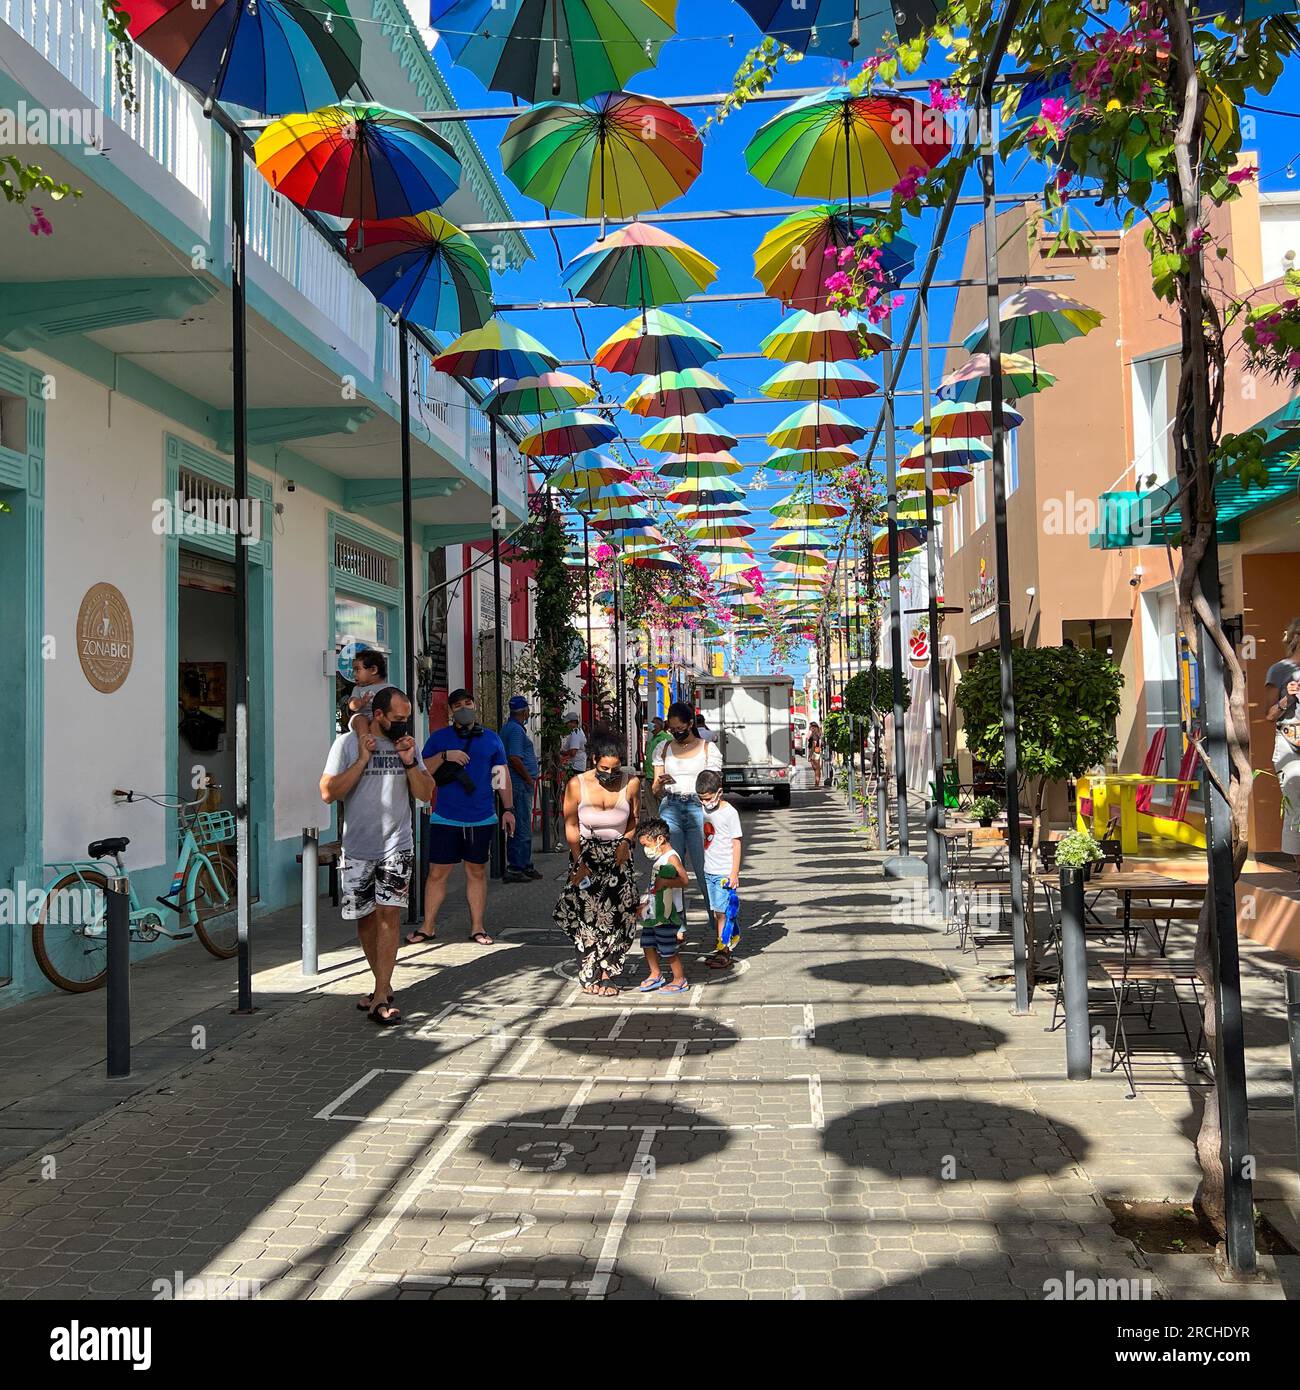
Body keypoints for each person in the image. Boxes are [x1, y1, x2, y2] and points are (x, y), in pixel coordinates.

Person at [320, 687, 433, 1026]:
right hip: (357, 847)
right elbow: (328, 793)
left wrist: (410, 760)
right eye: (397, 718)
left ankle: (381, 994)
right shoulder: (348, 744)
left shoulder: (407, 746)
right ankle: (380, 983)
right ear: (379, 715)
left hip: (397, 845)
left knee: (389, 915)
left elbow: (426, 794)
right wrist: (361, 760)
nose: (403, 724)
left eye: (406, 718)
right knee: (366, 919)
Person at [408, 689, 514, 948]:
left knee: (476, 872)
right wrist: (446, 755)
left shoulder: (492, 739)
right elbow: (422, 770)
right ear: (451, 711)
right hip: (446, 817)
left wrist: (509, 808)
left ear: (475, 705)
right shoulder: (439, 738)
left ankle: (477, 927)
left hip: (481, 818)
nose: (464, 708)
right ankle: (428, 927)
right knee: (436, 874)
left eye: (468, 703)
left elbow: (500, 775)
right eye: (458, 705)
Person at [553, 735, 642, 996]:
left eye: (615, 769)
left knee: (618, 916)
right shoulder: (576, 784)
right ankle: (590, 971)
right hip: (586, 856)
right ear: (594, 761)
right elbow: (570, 824)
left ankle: (608, 973)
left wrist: (627, 841)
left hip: (618, 856)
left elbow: (634, 819)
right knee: (587, 917)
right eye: (604, 769)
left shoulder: (631, 783)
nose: (610, 774)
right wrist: (578, 861)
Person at [652, 700, 723, 921]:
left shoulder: (707, 748)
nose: (676, 733)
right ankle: (676, 926)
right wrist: (661, 783)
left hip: (698, 809)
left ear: (690, 723)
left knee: (705, 868)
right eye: (672, 729)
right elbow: (655, 789)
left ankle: (718, 923)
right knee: (671, 867)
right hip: (671, 806)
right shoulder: (662, 748)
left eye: (680, 728)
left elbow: (714, 785)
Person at [636, 816, 689, 994]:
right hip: (654, 910)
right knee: (647, 942)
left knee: (668, 948)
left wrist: (666, 883)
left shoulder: (671, 858)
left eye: (646, 844)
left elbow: (684, 880)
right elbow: (654, 885)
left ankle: (679, 979)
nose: (646, 849)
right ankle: (655, 973)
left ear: (660, 839)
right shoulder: (659, 860)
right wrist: (645, 902)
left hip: (667, 912)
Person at [1264, 618, 1300, 878]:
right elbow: (1268, 714)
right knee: (1296, 806)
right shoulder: (1279, 670)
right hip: (1291, 744)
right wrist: (1287, 698)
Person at [698, 769, 743, 970]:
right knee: (718, 912)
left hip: (724, 872)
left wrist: (734, 873)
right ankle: (726, 942)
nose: (705, 802)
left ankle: (724, 950)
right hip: (709, 869)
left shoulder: (729, 813)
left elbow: (736, 843)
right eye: (701, 799)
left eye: (708, 798)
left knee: (723, 913)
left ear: (719, 792)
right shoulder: (704, 810)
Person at [500, 694, 542, 884]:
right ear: (524, 711)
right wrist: (527, 778)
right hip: (518, 784)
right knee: (522, 825)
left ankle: (524, 864)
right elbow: (514, 758)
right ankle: (517, 866)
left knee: (523, 824)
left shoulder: (511, 728)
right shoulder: (515, 731)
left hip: (517, 783)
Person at [344, 648, 392, 740]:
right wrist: (361, 702)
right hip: (363, 717)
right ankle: (365, 742)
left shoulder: (389, 688)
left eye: (357, 670)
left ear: (373, 670)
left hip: (380, 718)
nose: (354, 674)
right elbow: (352, 705)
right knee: (360, 719)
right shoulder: (358, 689)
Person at [642, 716, 670, 809]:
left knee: (662, 804)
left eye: (652, 723)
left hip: (659, 777)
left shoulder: (666, 738)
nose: (650, 725)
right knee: (650, 804)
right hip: (649, 776)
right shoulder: (652, 739)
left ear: (658, 725)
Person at [560, 710, 588, 778]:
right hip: (577, 766)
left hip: (575, 767)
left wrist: (562, 753)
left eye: (567, 723)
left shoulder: (575, 733)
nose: (566, 725)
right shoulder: (578, 731)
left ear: (573, 722)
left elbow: (573, 752)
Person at [808, 721, 824, 786]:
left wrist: (810, 755)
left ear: (813, 727)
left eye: (810, 727)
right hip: (817, 751)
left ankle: (817, 783)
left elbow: (814, 745)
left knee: (816, 768)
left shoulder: (814, 734)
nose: (809, 728)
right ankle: (817, 782)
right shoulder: (818, 733)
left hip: (814, 752)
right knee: (817, 768)